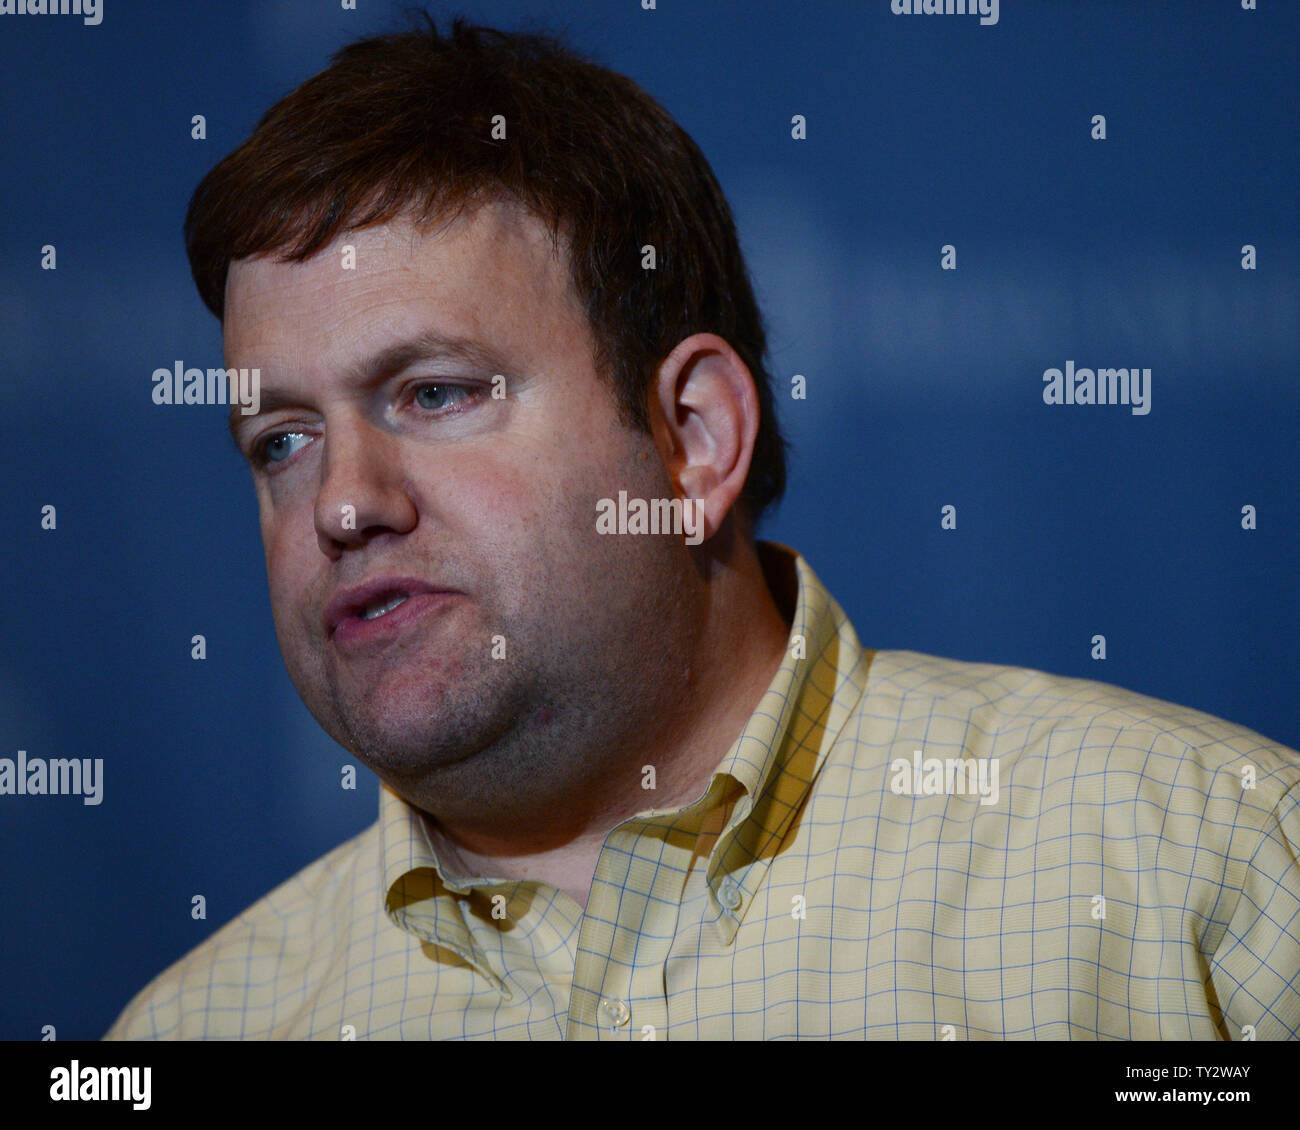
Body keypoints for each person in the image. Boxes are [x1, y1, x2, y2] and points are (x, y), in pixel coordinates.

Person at [104, 14, 1299, 1041]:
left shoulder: (1201, 873)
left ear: (694, 437)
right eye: (282, 439)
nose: (343, 501)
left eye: (435, 392)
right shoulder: (194, 1030)